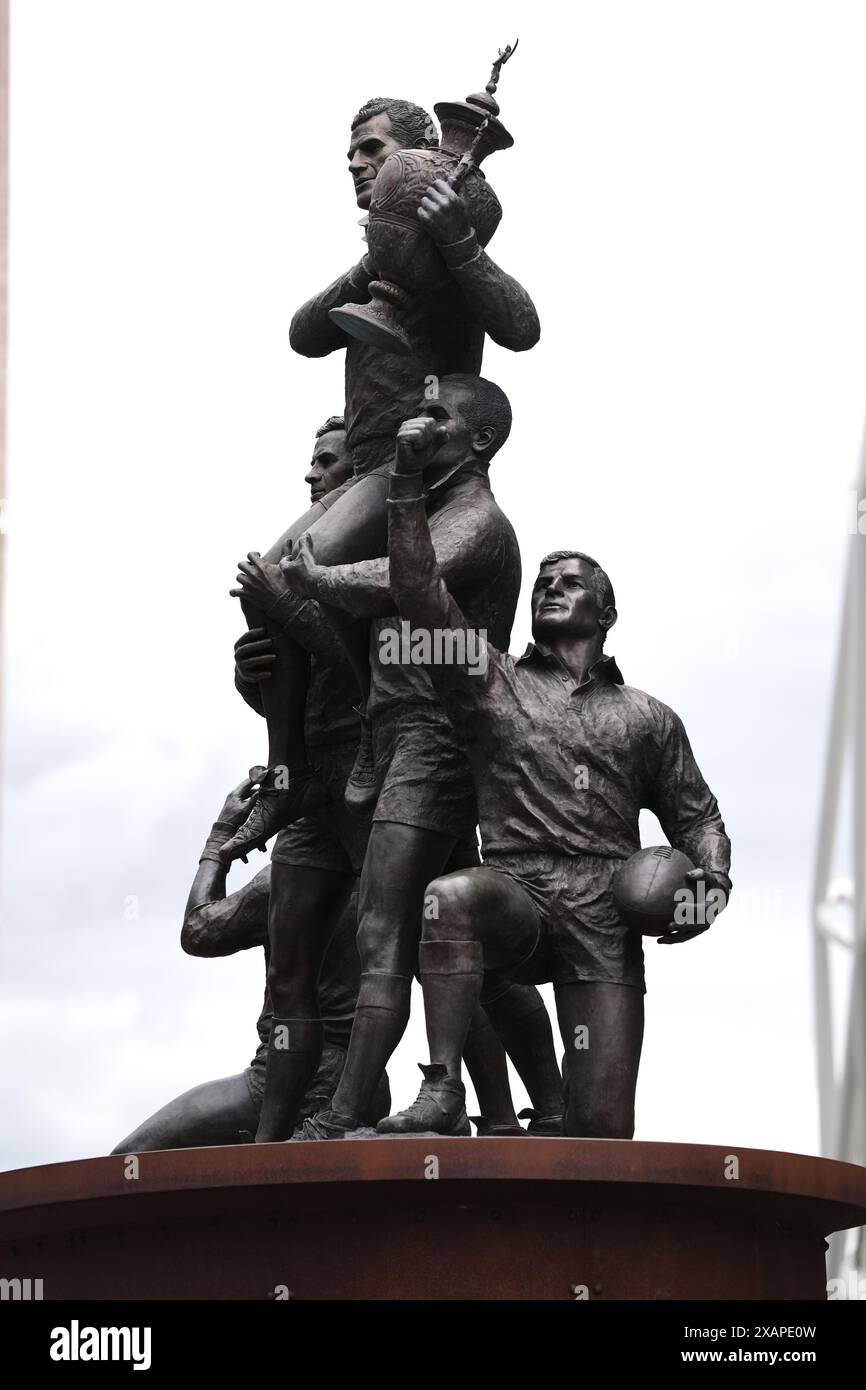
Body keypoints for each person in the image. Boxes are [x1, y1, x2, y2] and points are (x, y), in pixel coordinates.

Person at [376, 411, 733, 1138]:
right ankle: (442, 1089)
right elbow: (417, 595)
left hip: (609, 908)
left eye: (571, 582)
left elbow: (698, 821)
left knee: (601, 1134)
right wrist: (406, 486)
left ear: (608, 612)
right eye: (542, 581)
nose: (550, 588)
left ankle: (562, 1129)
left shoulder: (648, 716)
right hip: (519, 890)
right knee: (448, 899)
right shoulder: (487, 678)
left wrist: (710, 890)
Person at [223, 94, 540, 859]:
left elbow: (523, 328)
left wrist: (455, 245)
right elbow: (304, 334)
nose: (356, 165)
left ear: (412, 161)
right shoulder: (383, 263)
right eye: (353, 155)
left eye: (371, 151)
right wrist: (379, 255)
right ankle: (292, 766)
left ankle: (345, 730)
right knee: (265, 594)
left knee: (287, 581)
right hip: (359, 474)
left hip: (412, 471)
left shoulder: (447, 256)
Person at [232, 412, 561, 1140]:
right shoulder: (416, 518)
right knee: (441, 943)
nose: (423, 422)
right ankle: (512, 1112)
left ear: (477, 438)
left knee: (394, 931)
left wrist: (301, 584)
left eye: (442, 416)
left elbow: (402, 586)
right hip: (385, 743)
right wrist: (257, 669)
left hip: (429, 737)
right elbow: (343, 658)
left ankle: (344, 1115)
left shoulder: (474, 521)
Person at [109, 772, 385, 1153]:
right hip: (366, 1087)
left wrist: (220, 838)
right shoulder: (390, 878)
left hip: (282, 1081)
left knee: (126, 1159)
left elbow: (198, 930)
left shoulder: (289, 880)